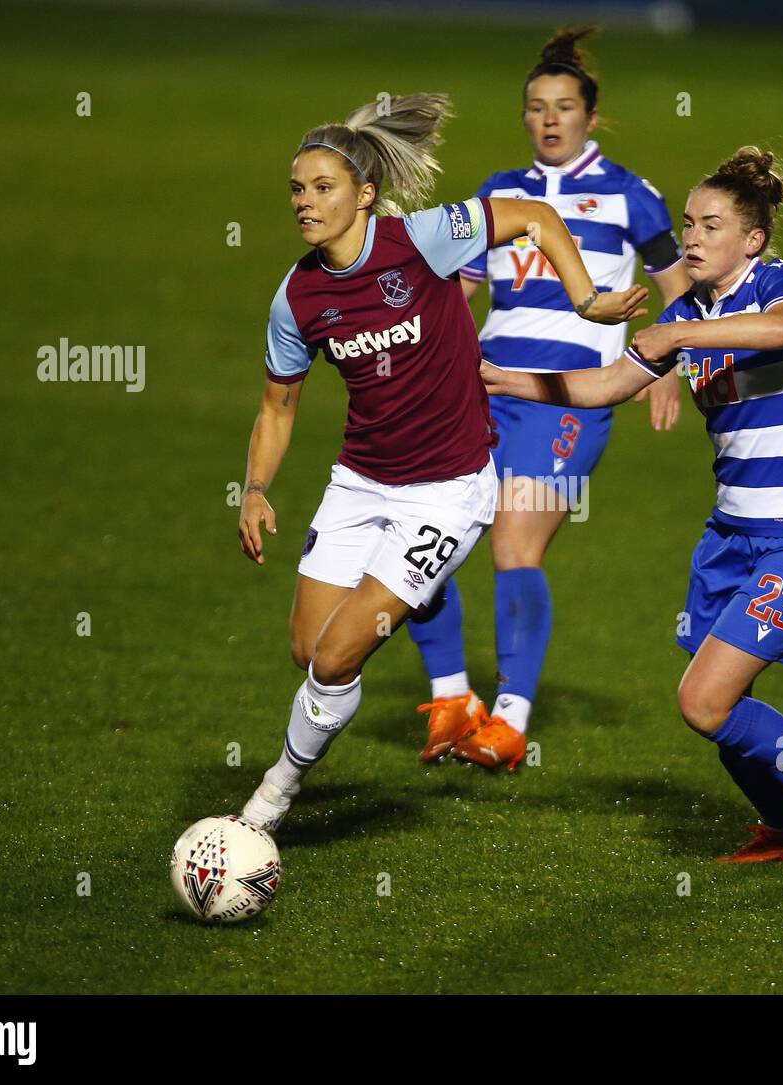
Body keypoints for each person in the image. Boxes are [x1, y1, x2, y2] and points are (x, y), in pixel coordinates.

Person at [236, 93, 646, 831]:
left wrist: (585, 300)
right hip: (360, 482)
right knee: (308, 647)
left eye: (322, 187)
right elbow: (278, 407)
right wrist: (256, 487)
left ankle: (271, 797)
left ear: (364, 195)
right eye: (297, 188)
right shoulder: (297, 297)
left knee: (334, 660)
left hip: (449, 491)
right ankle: (435, 663)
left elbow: (538, 217)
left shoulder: (422, 238)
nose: (305, 201)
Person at [481, 146, 783, 869]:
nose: (691, 237)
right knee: (717, 697)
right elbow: (600, 388)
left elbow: (782, 332)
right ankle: (782, 820)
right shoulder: (691, 305)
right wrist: (505, 379)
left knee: (705, 702)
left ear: (750, 240)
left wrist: (678, 334)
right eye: (688, 223)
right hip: (734, 532)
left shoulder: (779, 285)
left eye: (711, 226)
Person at [408, 28, 691, 772]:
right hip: (484, 390)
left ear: (591, 117)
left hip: (572, 401)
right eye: (536, 108)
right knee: (417, 538)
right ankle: (450, 700)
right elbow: (456, 295)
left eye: (565, 106)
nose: (550, 119)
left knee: (513, 544)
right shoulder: (498, 194)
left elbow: (682, 294)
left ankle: (509, 721)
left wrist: (665, 365)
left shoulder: (632, 195)